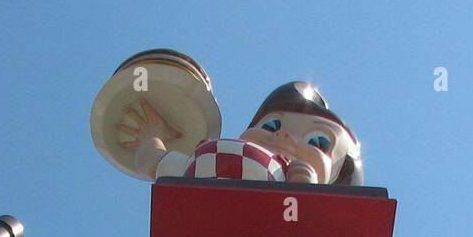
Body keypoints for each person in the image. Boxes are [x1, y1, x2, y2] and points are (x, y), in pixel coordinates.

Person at [119, 80, 363, 186]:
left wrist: (307, 192)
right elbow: (154, 163)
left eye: (317, 141)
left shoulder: (296, 180)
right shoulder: (207, 161)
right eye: (271, 126)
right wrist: (150, 135)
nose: (284, 136)